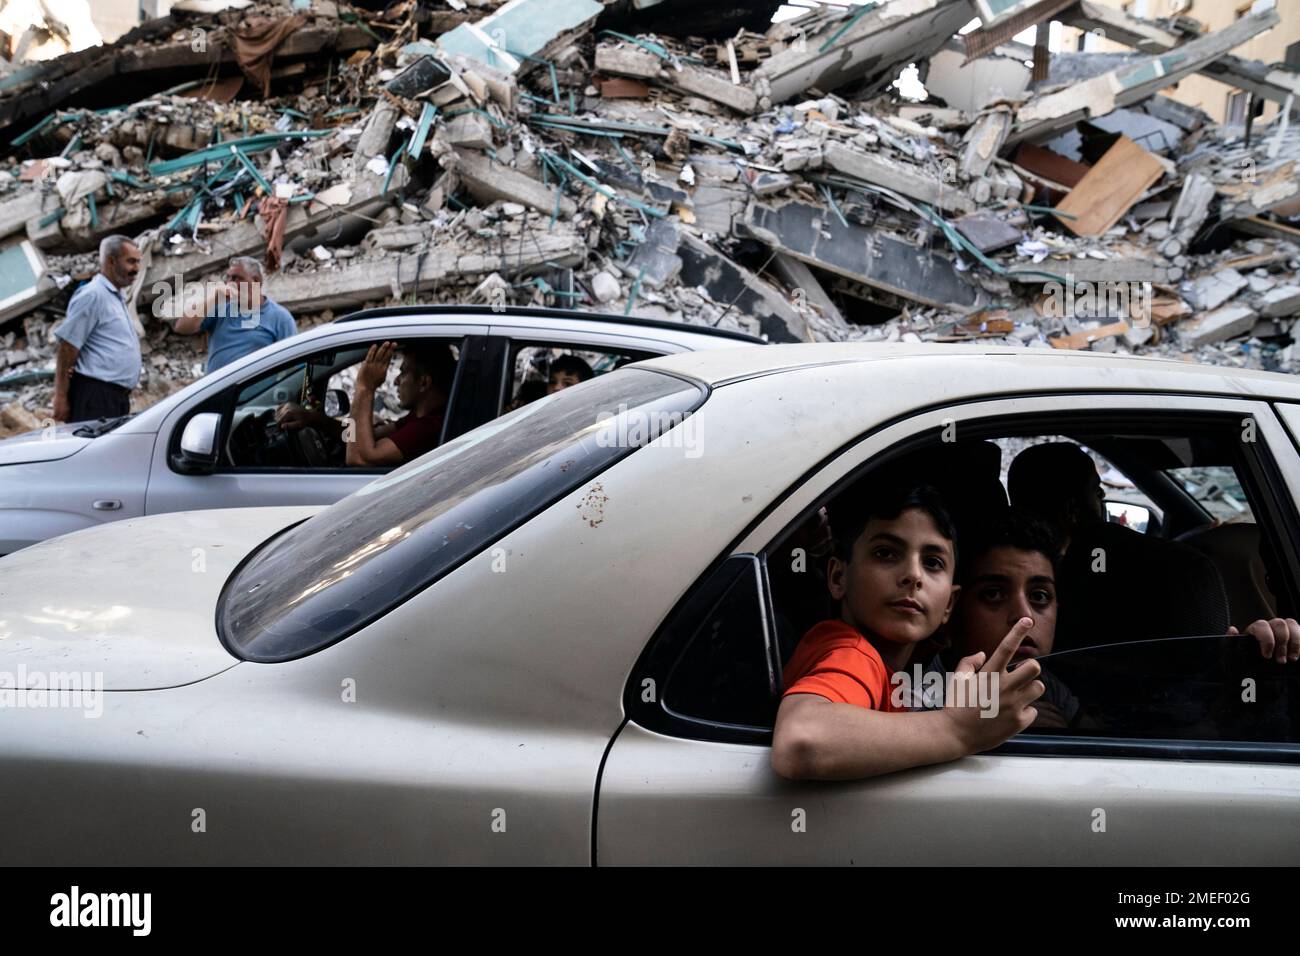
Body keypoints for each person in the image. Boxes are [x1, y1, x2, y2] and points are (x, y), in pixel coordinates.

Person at [770, 482, 1044, 781]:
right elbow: (802, 740)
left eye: (932, 562)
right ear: (838, 577)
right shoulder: (851, 654)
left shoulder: (896, 661)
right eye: (886, 553)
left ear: (950, 603)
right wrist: (957, 728)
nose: (913, 575)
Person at [1008, 441, 1231, 649]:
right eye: (1095, 488)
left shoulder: (1008, 572)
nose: (1103, 493)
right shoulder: (1169, 572)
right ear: (1072, 511)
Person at [275, 340, 455, 467]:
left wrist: (365, 387)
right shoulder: (417, 418)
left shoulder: (429, 427)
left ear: (424, 382)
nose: (396, 381)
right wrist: (315, 418)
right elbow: (364, 436)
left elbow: (359, 458)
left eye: (403, 372)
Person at [52, 235, 142, 422]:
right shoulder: (93, 295)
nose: (136, 269)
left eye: (138, 262)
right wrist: (60, 397)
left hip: (114, 397)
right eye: (131, 262)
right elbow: (68, 346)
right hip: (95, 396)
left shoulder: (116, 296)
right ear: (111, 261)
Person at [170, 256, 296, 372]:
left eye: (236, 278)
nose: (230, 283)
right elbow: (182, 327)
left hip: (253, 394)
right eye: (228, 278)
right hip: (216, 391)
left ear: (256, 280)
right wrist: (213, 297)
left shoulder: (280, 317)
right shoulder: (221, 308)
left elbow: (292, 364)